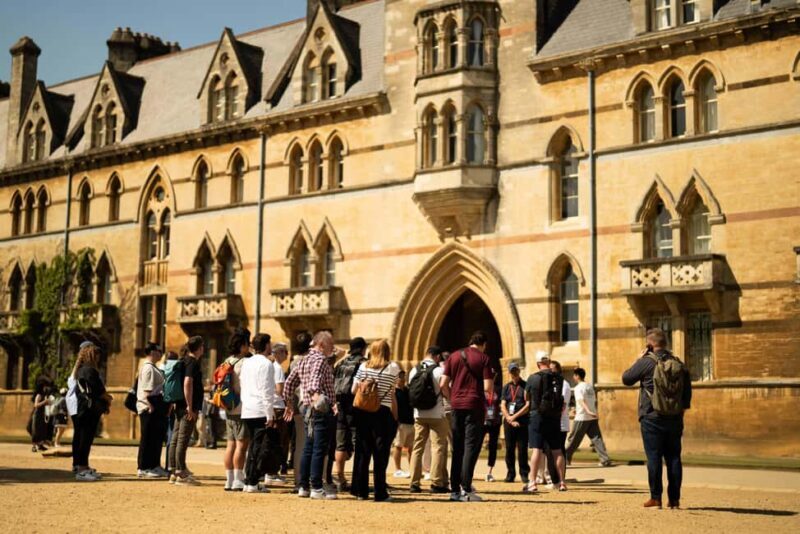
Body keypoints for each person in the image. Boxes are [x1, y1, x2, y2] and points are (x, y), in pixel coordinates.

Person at [622, 328, 692, 509]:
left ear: (649, 344)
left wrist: (640, 358)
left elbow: (626, 378)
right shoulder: (678, 363)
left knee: (654, 458)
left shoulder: (646, 362)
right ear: (665, 344)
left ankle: (656, 498)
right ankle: (674, 500)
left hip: (651, 417)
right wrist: (679, 411)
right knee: (674, 458)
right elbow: (687, 393)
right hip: (674, 417)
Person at [283, 330, 338, 500]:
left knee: (308, 447)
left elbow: (289, 384)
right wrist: (317, 399)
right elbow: (314, 383)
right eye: (330, 345)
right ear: (321, 344)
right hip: (317, 408)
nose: (332, 349)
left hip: (305, 407)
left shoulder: (304, 359)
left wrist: (290, 405)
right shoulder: (320, 359)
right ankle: (316, 487)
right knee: (318, 448)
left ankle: (304, 486)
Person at [441, 331, 494, 502]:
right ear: (483, 344)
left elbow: (442, 383)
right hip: (474, 405)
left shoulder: (454, 356)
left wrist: (452, 398)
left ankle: (454, 490)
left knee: (457, 447)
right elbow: (488, 387)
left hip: (456, 405)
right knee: (471, 447)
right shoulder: (484, 358)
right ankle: (466, 488)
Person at [351, 339, 399, 502]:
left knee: (363, 452)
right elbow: (392, 392)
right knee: (381, 453)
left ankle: (361, 492)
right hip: (382, 412)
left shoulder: (363, 367)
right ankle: (380, 492)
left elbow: (353, 389)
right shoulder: (393, 367)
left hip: (363, 411)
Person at [408, 345, 450, 494]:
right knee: (437, 447)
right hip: (436, 413)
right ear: (437, 357)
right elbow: (445, 389)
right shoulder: (439, 370)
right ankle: (436, 482)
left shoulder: (414, 370)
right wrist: (449, 399)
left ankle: (414, 482)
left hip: (419, 414)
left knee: (417, 448)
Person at [525, 350, 567, 493]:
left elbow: (526, 397)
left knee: (537, 449)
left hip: (537, 415)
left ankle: (532, 482)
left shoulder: (532, 378)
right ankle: (562, 482)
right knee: (557, 450)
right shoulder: (559, 378)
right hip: (554, 417)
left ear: (538, 364)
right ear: (549, 361)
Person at [240, 333, 276, 493]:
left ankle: (249, 480)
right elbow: (267, 390)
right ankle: (252, 481)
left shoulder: (247, 362)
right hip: (260, 408)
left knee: (253, 446)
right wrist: (270, 413)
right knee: (259, 447)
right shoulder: (266, 364)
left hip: (248, 407)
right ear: (266, 345)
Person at [72, 341, 111, 481]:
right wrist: (107, 397)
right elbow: (97, 390)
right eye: (96, 354)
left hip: (83, 408)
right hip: (88, 409)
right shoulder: (89, 370)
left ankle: (82, 466)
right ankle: (82, 469)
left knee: (83, 438)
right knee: (85, 438)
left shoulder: (82, 369)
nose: (99, 357)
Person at [168, 335, 204, 486]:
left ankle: (173, 470)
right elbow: (187, 382)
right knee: (183, 439)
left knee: (176, 438)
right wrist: (190, 405)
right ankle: (181, 473)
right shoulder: (192, 362)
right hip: (187, 406)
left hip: (179, 404)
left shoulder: (182, 360)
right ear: (199, 348)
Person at [332, 337, 367, 491]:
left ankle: (339, 478)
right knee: (358, 442)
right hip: (356, 407)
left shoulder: (340, 363)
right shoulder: (363, 363)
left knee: (340, 444)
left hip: (339, 407)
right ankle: (358, 480)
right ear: (362, 348)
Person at [222, 328, 251, 491]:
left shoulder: (227, 361)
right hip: (241, 407)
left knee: (230, 445)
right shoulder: (244, 363)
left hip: (228, 407)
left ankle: (229, 479)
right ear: (242, 345)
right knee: (241, 445)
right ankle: (239, 478)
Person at [565, 367, 611, 467]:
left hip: (582, 417)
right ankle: (605, 460)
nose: (573, 377)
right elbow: (592, 401)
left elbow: (581, 401)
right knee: (597, 439)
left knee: (573, 439)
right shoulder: (589, 386)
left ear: (577, 376)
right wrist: (592, 411)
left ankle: (565, 459)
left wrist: (588, 411)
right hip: (592, 417)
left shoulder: (578, 388)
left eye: (574, 375)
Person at [136, 342, 168, 478]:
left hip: (155, 406)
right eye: (159, 351)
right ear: (153, 352)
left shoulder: (154, 367)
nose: (161, 353)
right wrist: (151, 406)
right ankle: (143, 467)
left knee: (156, 438)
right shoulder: (148, 368)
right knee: (147, 438)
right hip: (148, 407)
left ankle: (154, 465)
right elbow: (147, 391)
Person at [288, 332, 312, 487]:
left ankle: (298, 478)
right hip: (308, 404)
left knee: (299, 443)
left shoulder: (293, 362)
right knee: (309, 442)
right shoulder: (310, 361)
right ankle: (308, 478)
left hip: (296, 405)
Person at [543, 360, 570, 489]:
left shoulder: (563, 384)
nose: (550, 370)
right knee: (551, 452)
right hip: (553, 421)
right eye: (550, 368)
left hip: (559, 422)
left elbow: (562, 405)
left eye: (553, 368)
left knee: (556, 451)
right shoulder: (552, 383)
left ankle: (558, 481)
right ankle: (558, 481)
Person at [500, 362, 529, 483]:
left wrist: (515, 417)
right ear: (509, 372)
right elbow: (502, 405)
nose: (514, 373)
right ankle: (510, 474)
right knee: (509, 449)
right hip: (508, 421)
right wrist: (509, 418)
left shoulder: (526, 386)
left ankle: (524, 474)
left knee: (522, 448)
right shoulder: (506, 387)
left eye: (516, 370)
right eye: (512, 371)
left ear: (519, 371)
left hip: (522, 420)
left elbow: (528, 405)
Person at [266, 342, 290, 484]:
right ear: (279, 353)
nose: (287, 355)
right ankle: (272, 472)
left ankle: (269, 471)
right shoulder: (278, 368)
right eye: (285, 352)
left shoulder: (268, 367)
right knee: (278, 442)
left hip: (269, 406)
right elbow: (280, 391)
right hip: (278, 407)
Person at [483, 356, 503, 482]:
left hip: (495, 421)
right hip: (482, 421)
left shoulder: (498, 390)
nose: (492, 376)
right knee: (476, 444)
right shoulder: (481, 389)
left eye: (494, 374)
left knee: (493, 446)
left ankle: (489, 471)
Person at [392, 369, 414, 479]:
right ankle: (397, 469)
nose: (402, 379)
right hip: (400, 423)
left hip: (411, 422)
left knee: (411, 448)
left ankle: (412, 469)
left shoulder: (407, 390)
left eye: (403, 376)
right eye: (400, 376)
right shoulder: (393, 391)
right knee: (398, 446)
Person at [161, 349, 180, 470]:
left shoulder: (161, 369)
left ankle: (167, 465)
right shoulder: (176, 369)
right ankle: (172, 465)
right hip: (173, 404)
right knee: (173, 436)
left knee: (168, 437)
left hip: (161, 403)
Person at [29, 378, 52, 452]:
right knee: (36, 430)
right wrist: (44, 402)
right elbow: (36, 405)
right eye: (45, 386)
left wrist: (47, 403)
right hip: (37, 414)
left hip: (41, 414)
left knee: (41, 430)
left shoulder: (44, 395)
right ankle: (34, 446)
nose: (46, 388)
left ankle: (40, 445)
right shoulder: (39, 395)